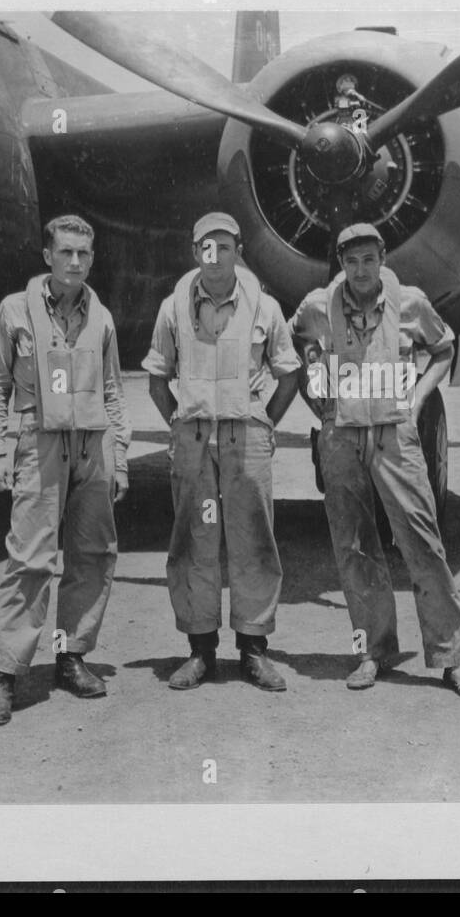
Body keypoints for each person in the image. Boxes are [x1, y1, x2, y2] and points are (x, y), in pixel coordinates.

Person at [290, 223, 460, 700]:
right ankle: (372, 651)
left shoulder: (411, 303)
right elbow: (297, 346)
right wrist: (318, 398)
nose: (360, 270)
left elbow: (443, 349)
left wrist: (418, 399)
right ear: (341, 263)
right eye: (351, 261)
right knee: (354, 546)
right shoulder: (318, 306)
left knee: (421, 541)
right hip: (341, 436)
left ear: (383, 259)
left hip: (393, 435)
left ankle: (452, 659)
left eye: (368, 259)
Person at [0, 214, 131, 726]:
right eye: (65, 252)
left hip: (92, 450)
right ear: (47, 256)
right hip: (37, 446)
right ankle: (4, 673)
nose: (75, 262)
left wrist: (119, 458)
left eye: (84, 254)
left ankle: (72, 655)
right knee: (30, 559)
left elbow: (112, 392)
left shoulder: (100, 317)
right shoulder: (14, 311)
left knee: (92, 555)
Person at [143, 213, 300, 691]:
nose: (214, 256)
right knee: (195, 541)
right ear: (195, 254)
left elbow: (288, 373)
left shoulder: (265, 309)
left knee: (254, 539)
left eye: (224, 247)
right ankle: (200, 650)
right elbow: (157, 377)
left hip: (245, 438)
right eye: (205, 248)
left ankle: (253, 650)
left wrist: (265, 421)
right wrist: (179, 420)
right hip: (194, 443)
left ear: (238, 252)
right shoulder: (172, 308)